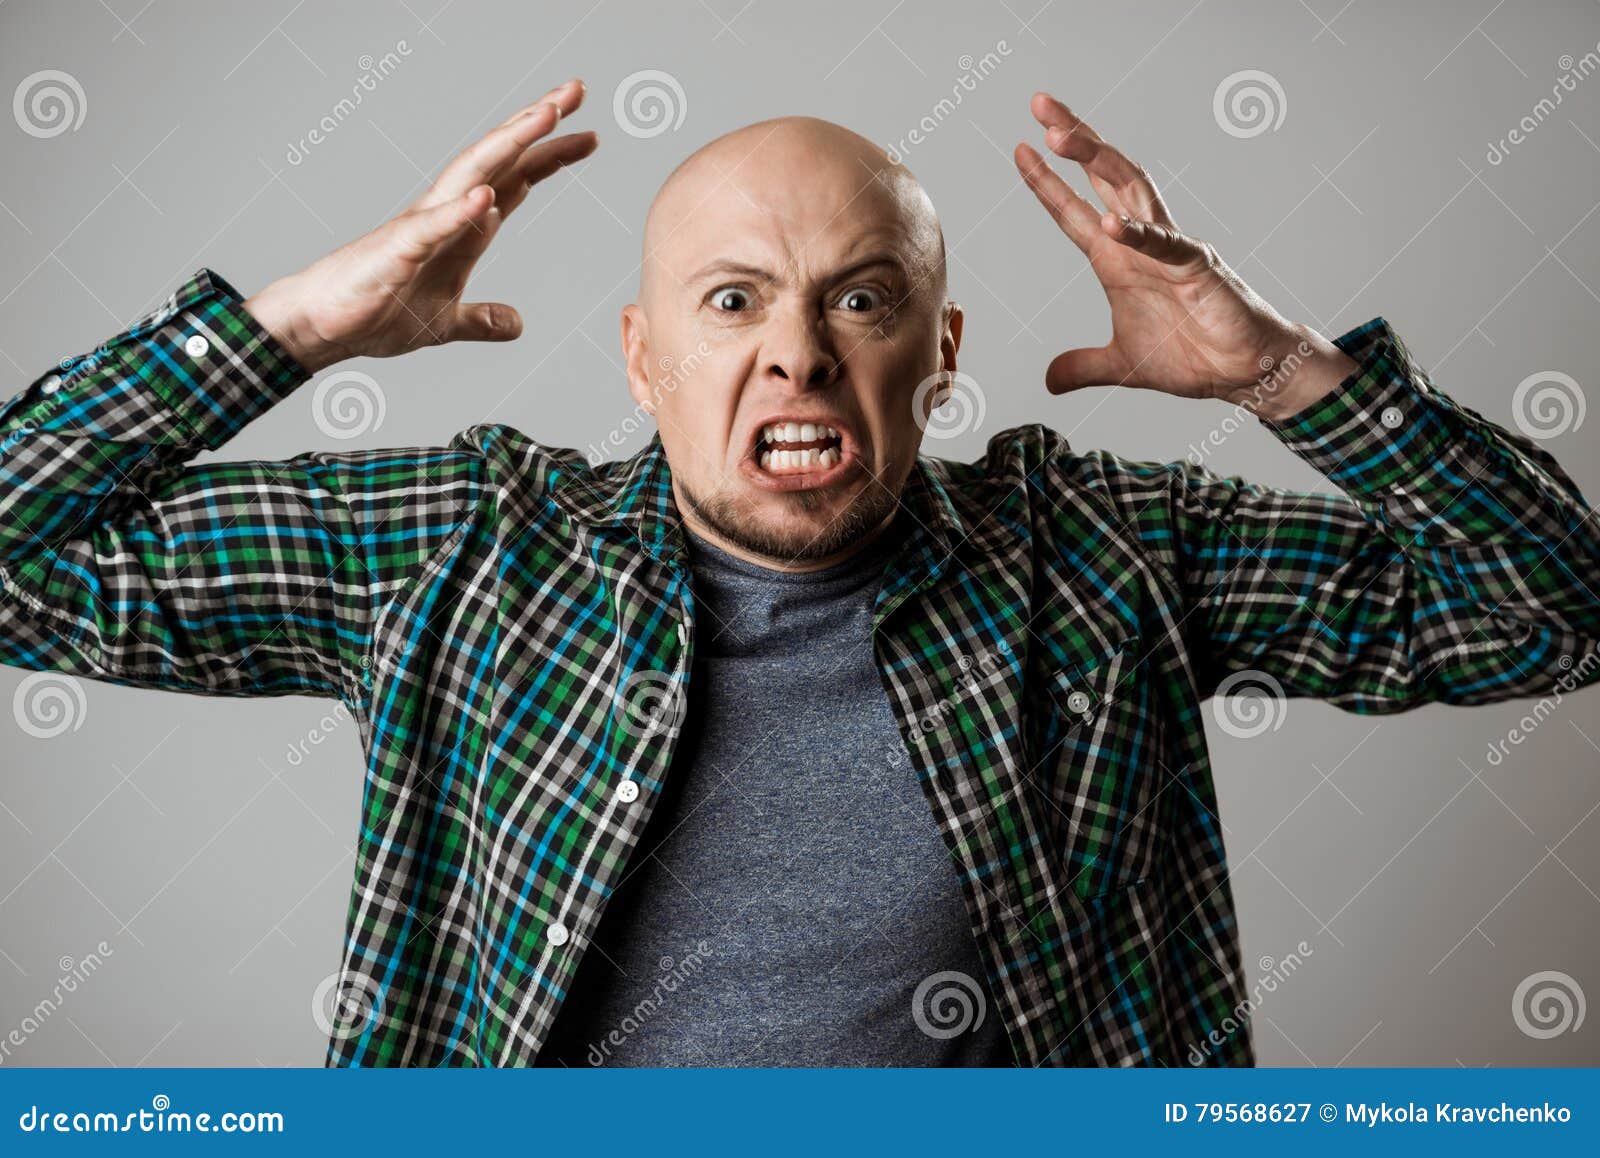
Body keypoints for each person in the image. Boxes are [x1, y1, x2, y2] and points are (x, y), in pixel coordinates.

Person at [2, 77, 1595, 1067]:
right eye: (730, 301)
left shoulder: (1098, 553)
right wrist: (296, 326)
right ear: (640, 359)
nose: (794, 358)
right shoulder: (470, 550)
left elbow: (1552, 610)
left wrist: (1277, 371)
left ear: (940, 351)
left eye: (858, 299)